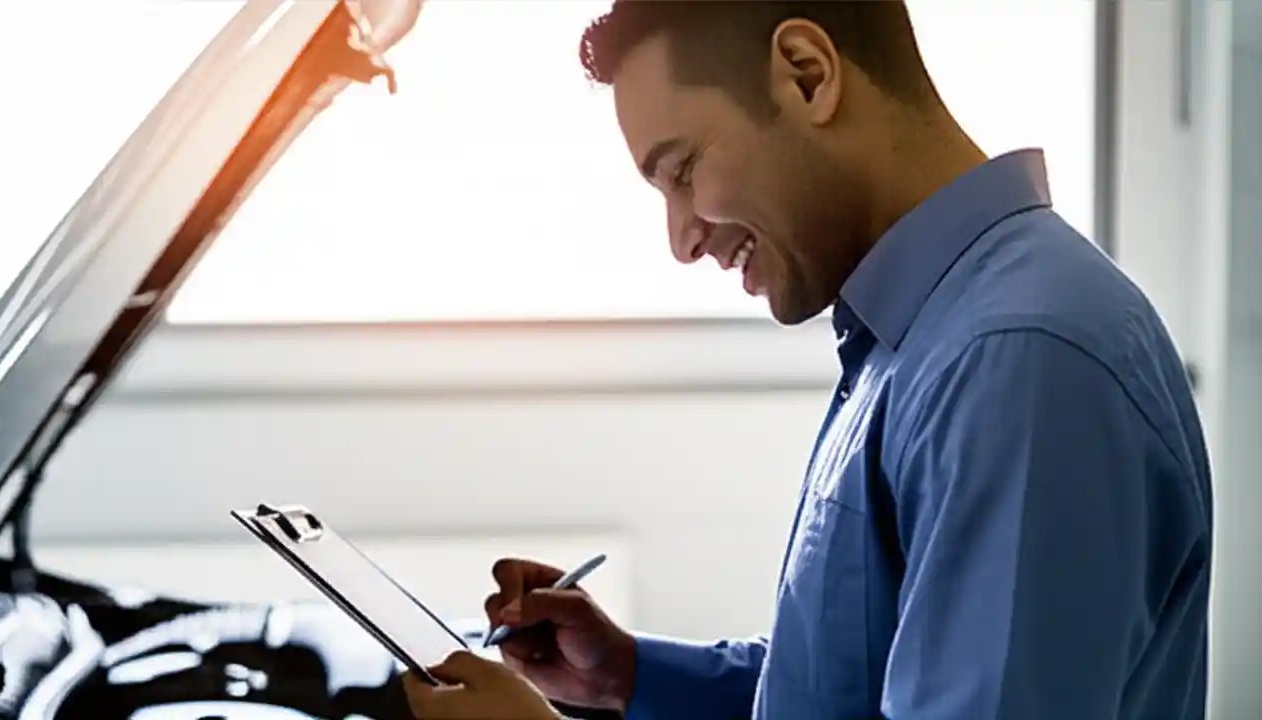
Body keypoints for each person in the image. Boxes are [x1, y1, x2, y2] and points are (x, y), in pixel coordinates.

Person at [404, 1, 1214, 718]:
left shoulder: (1018, 361)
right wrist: (630, 674)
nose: (682, 240)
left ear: (807, 74)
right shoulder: (918, 338)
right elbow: (852, 686)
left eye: (683, 171)